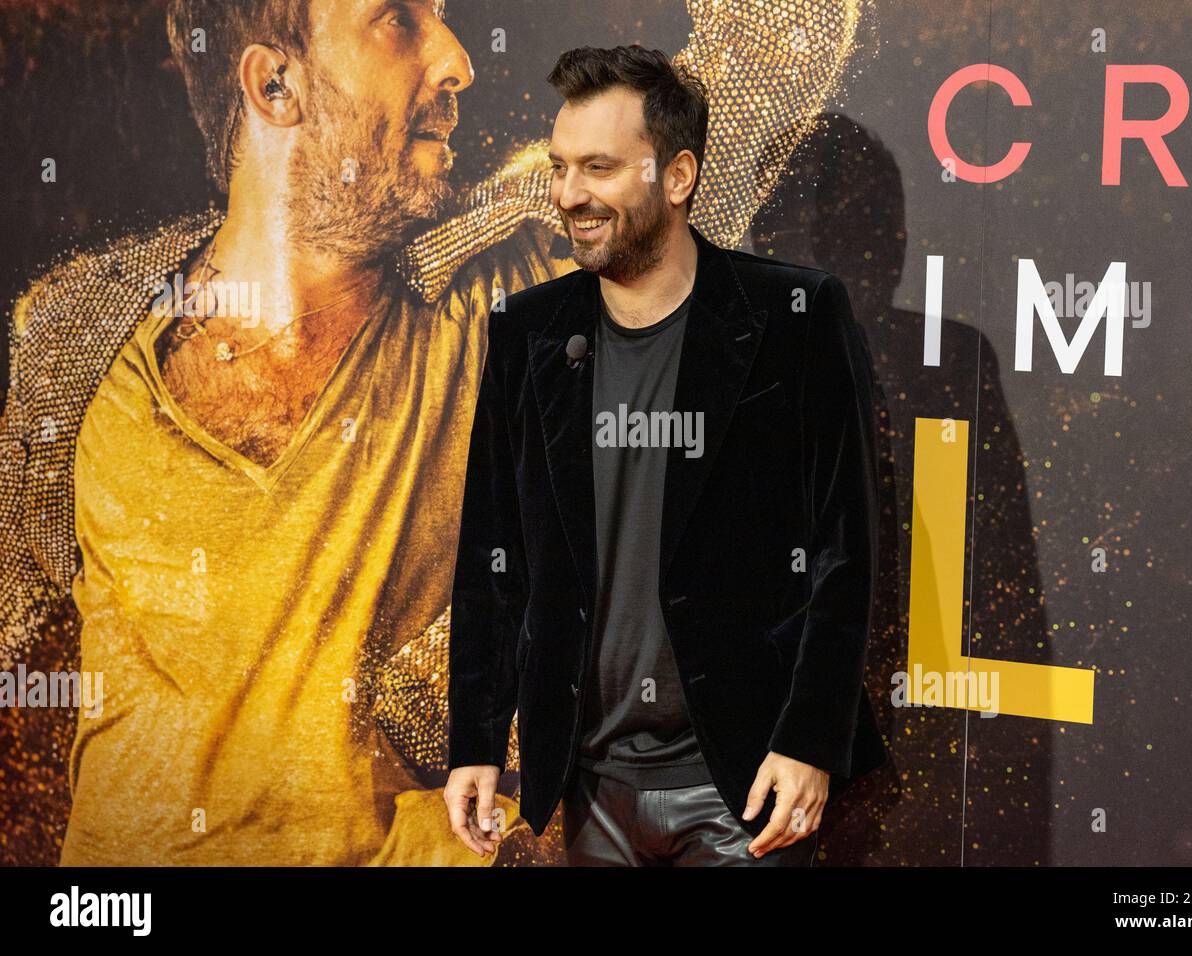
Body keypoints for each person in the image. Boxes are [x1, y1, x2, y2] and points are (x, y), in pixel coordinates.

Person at [0, 0, 871, 866]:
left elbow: (770, 52)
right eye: (399, 21)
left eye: (445, 18)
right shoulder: (80, 336)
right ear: (274, 83)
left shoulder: (522, 276)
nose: (458, 60)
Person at [445, 45, 887, 866]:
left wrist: (809, 739)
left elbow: (844, 553)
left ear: (677, 177)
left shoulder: (793, 317)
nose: (570, 194)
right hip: (585, 785)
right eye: (561, 167)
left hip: (745, 784)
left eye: (600, 168)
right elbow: (490, 558)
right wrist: (474, 738)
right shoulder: (526, 331)